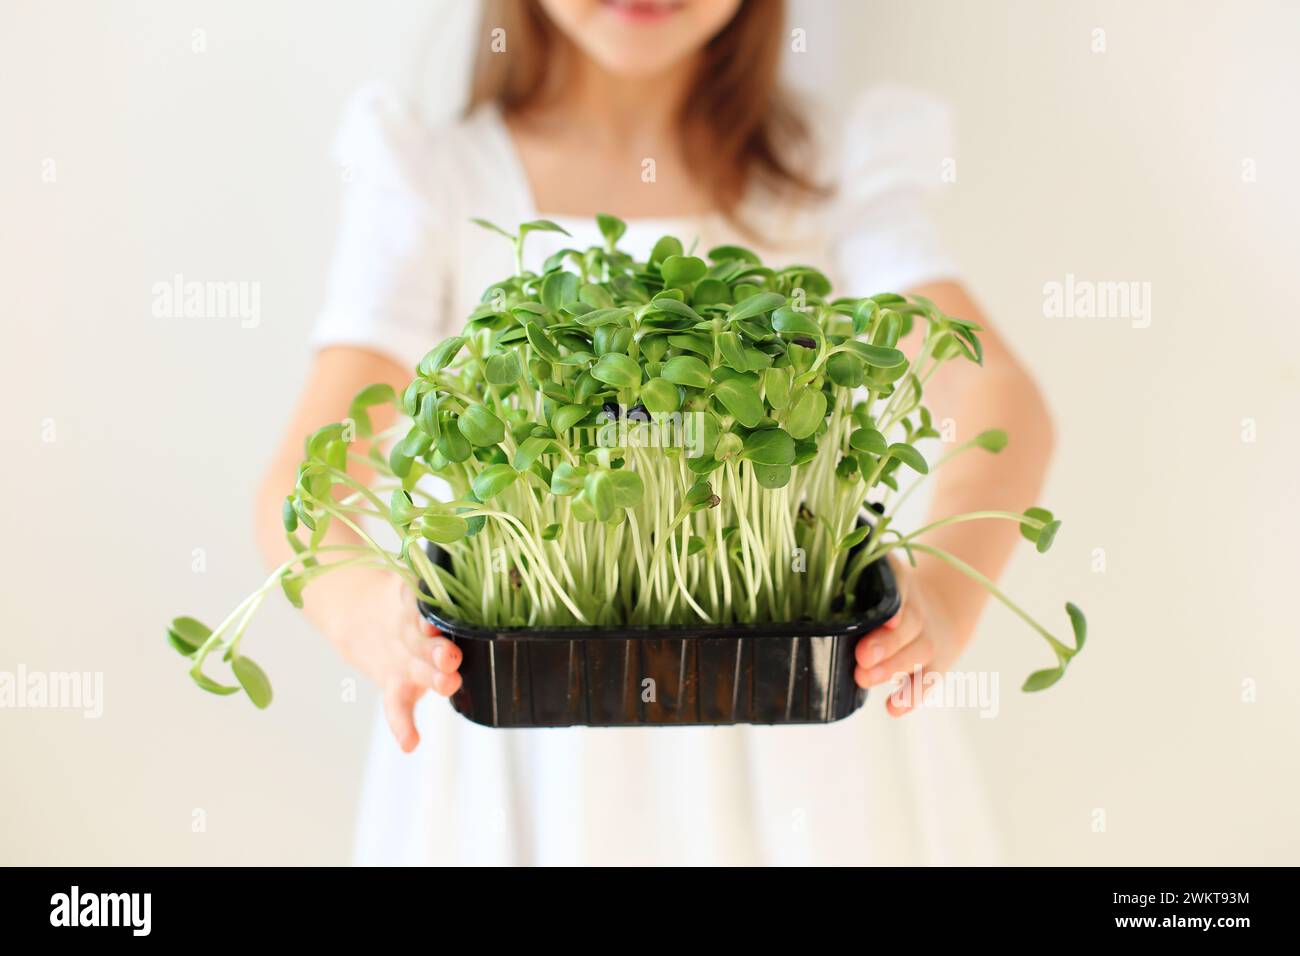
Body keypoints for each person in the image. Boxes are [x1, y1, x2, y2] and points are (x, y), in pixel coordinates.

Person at [255, 0, 1054, 864]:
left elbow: (996, 393)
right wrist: (367, 614)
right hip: (521, 760)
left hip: (804, 744)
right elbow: (301, 484)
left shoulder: (829, 170)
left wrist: (942, 595)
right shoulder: (435, 177)